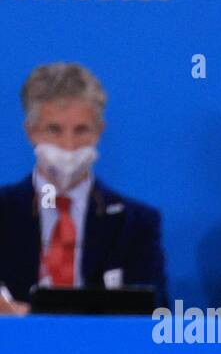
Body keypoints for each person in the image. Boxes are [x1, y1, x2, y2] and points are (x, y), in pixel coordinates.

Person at [0, 62, 167, 315]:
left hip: (104, 352)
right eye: (54, 130)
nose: (69, 145)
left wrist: (33, 315)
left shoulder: (135, 224)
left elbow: (154, 313)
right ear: (30, 132)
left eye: (81, 130)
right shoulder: (4, 211)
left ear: (99, 132)